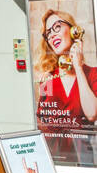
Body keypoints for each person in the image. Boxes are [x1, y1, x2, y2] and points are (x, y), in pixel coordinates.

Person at [35, 8, 97, 163]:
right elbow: (40, 122)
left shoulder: (92, 74)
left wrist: (78, 67)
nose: (52, 34)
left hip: (84, 160)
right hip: (52, 158)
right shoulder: (48, 79)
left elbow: (91, 114)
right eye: (48, 33)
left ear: (73, 31)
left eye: (57, 27)